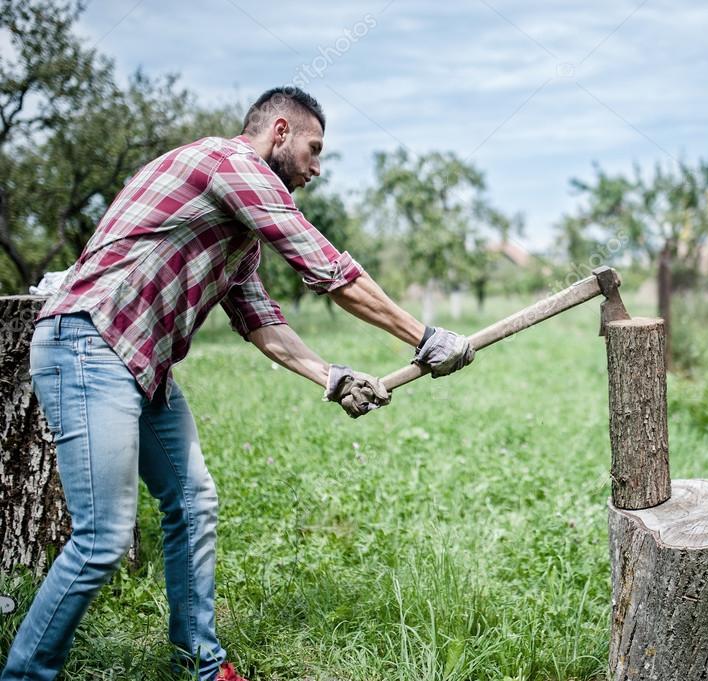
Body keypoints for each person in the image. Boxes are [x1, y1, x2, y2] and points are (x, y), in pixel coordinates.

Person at [1, 86, 474, 681]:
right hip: (88, 344)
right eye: (313, 148)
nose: (317, 167)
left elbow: (258, 320)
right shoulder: (233, 166)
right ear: (280, 131)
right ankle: (23, 676)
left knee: (193, 502)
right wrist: (422, 336)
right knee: (101, 539)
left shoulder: (238, 226)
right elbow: (326, 267)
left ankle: (200, 663)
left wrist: (333, 377)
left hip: (143, 364)